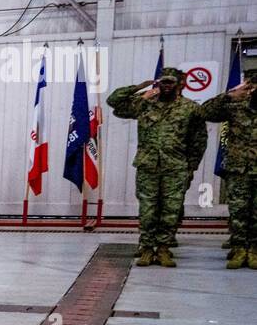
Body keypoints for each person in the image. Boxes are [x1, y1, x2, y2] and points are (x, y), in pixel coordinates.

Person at [108, 67, 208, 267]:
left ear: (179, 84)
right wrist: (140, 88)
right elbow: (114, 102)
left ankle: (163, 249)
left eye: (171, 82)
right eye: (163, 82)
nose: (167, 86)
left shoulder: (190, 108)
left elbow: (199, 140)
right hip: (148, 166)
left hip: (175, 167)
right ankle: (146, 248)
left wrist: (191, 167)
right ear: (159, 83)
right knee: (148, 209)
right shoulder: (145, 104)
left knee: (171, 210)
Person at [201, 70, 257, 269]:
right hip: (238, 168)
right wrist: (229, 94)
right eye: (252, 84)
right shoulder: (235, 106)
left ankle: (254, 251)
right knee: (238, 211)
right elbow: (205, 112)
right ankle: (239, 248)